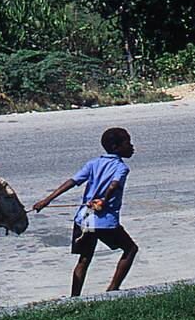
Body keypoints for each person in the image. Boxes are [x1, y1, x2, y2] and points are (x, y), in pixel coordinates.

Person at [32, 127, 139, 297]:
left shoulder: (93, 163)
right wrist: (104, 199)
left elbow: (72, 182)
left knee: (84, 258)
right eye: (128, 142)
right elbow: (114, 184)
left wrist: (47, 200)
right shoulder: (121, 168)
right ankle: (113, 289)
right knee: (130, 249)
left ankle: (75, 297)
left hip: (84, 220)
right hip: (105, 222)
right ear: (116, 147)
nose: (132, 146)